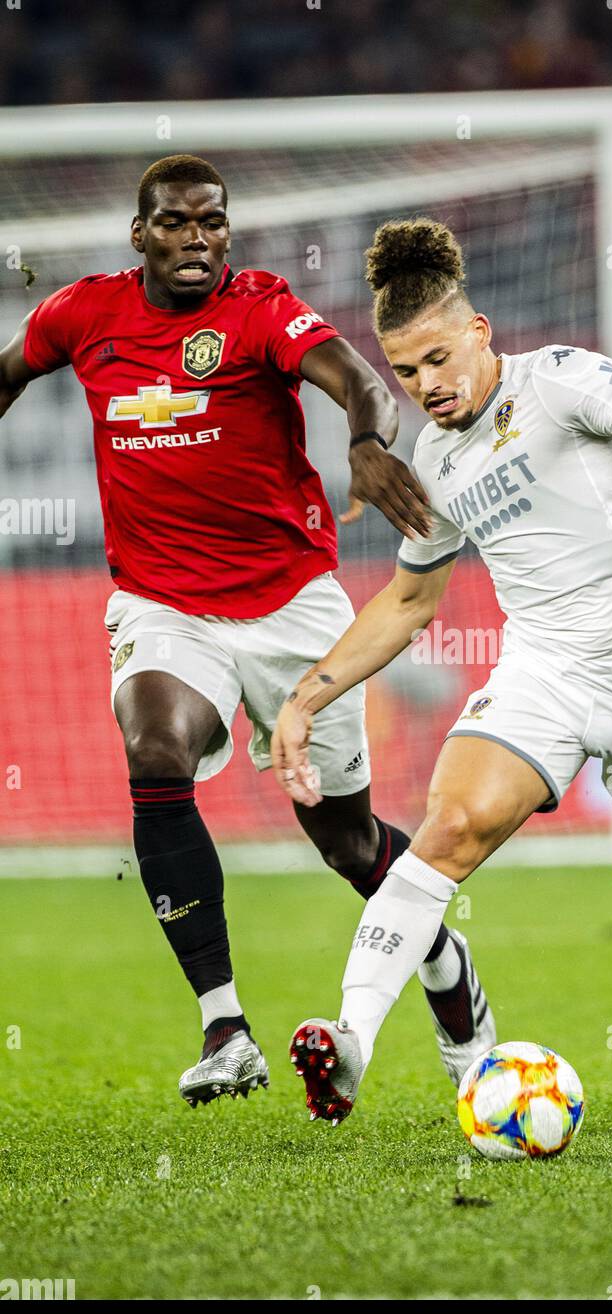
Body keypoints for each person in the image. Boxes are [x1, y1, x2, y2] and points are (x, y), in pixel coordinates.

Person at [0, 166, 495, 1108]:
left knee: (348, 845)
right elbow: (8, 374)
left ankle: (446, 969)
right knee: (154, 752)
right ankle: (224, 1026)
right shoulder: (81, 314)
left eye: (214, 225)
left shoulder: (261, 310)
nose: (198, 240)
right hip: (161, 604)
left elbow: (357, 381)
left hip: (290, 606)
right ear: (138, 234)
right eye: (176, 225)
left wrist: (362, 442)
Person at [271, 219, 612, 1124]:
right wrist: (305, 698)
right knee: (448, 826)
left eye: (437, 359)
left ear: (478, 334)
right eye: (405, 372)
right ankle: (348, 1043)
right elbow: (406, 603)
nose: (427, 386)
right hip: (543, 672)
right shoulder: (433, 460)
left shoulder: (560, 382)